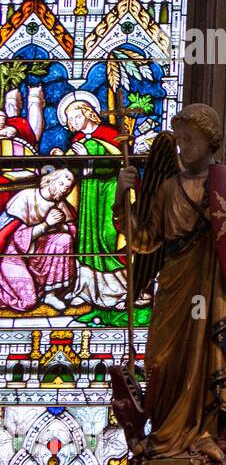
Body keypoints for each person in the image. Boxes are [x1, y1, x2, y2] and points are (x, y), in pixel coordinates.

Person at [111, 104, 226, 465]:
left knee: (206, 352)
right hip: (173, 286)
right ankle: (164, 434)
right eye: (180, 141)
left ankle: (202, 434)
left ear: (210, 142)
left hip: (210, 290)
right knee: (163, 358)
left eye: (189, 140)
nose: (182, 147)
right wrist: (123, 200)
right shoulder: (168, 188)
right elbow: (143, 241)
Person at [60, 92, 126, 311]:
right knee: (86, 239)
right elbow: (74, 170)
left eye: (75, 117)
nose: (72, 123)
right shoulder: (77, 141)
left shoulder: (109, 134)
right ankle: (85, 289)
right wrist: (69, 158)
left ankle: (119, 291)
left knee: (107, 236)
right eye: (69, 120)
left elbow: (116, 164)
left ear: (88, 113)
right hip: (88, 194)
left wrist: (90, 159)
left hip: (108, 190)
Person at [0, 169, 76, 312]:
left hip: (39, 252)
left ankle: (50, 294)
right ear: (49, 180)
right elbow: (15, 237)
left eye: (67, 188)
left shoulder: (59, 203)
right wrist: (46, 224)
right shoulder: (25, 197)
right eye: (61, 184)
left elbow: (72, 230)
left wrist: (61, 226)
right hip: (13, 255)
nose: (63, 190)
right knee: (28, 302)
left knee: (64, 239)